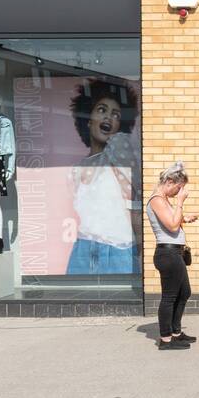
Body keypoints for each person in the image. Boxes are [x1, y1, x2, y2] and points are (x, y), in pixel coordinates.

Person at [68, 80, 141, 275]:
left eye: (115, 114)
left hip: (117, 248)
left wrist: (141, 244)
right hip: (82, 248)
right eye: (101, 110)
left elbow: (134, 200)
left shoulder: (119, 150)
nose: (108, 117)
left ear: (120, 124)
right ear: (88, 118)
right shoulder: (76, 169)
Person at [146, 162, 199, 351]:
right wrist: (180, 203)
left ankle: (176, 333)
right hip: (167, 254)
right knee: (169, 296)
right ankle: (166, 339)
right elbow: (172, 226)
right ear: (169, 181)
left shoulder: (164, 200)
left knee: (184, 292)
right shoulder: (157, 200)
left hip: (174, 252)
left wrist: (185, 217)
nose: (178, 192)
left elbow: (174, 220)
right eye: (178, 188)